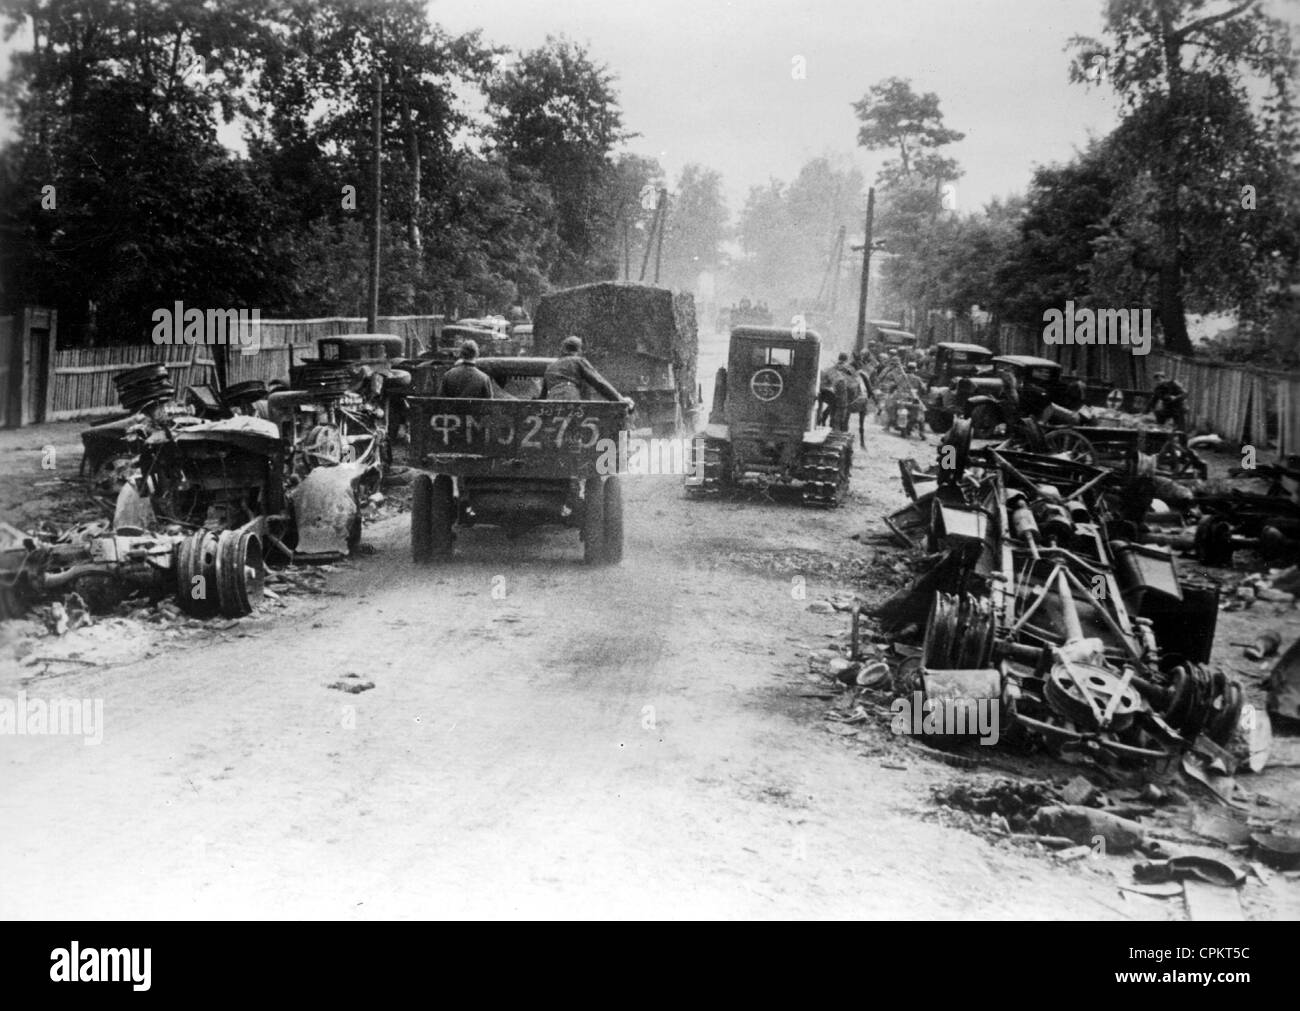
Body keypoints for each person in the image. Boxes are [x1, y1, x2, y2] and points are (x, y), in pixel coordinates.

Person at [541, 336, 634, 408]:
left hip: (552, 401)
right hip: (570, 397)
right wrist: (619, 399)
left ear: (563, 350)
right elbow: (599, 382)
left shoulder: (550, 367)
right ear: (579, 350)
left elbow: (542, 396)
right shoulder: (578, 361)